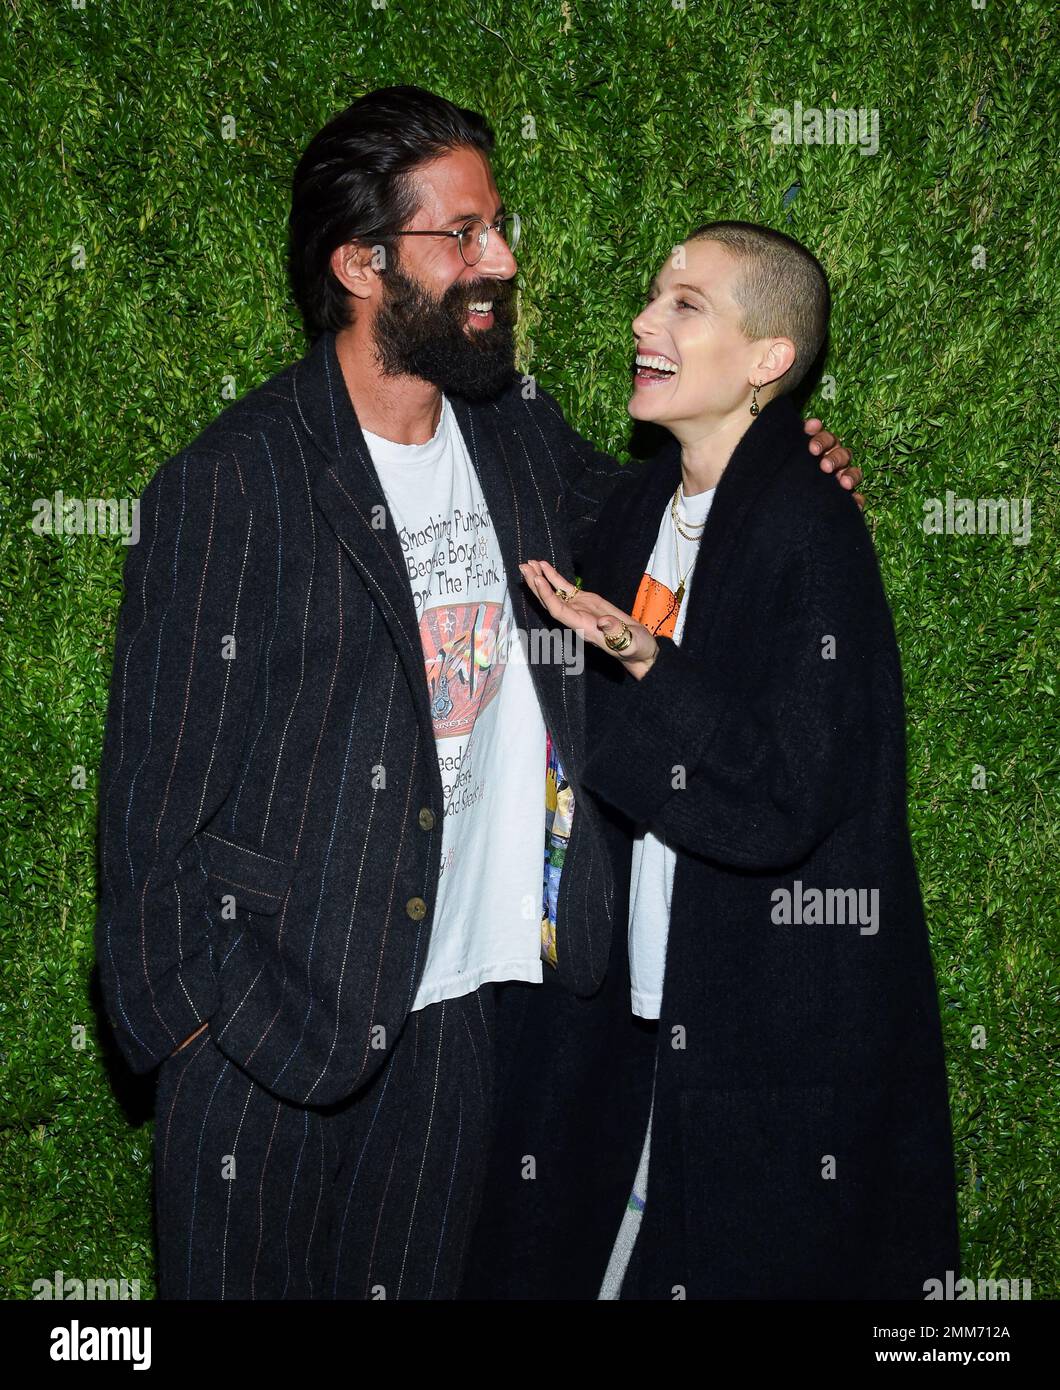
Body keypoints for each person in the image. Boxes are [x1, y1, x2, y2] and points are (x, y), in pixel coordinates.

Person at [94, 85, 858, 1300]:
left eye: (498, 226)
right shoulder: (231, 483)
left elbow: (662, 507)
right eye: (461, 236)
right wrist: (195, 1033)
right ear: (360, 264)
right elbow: (148, 808)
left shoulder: (513, 431)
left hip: (457, 1025)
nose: (498, 259)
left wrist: (776, 451)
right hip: (267, 1043)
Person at [466, 222, 959, 1300]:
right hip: (627, 1012)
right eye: (653, 296)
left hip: (765, 1033)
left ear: (769, 360)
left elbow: (787, 793)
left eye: (687, 304)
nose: (645, 320)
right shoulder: (635, 503)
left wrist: (646, 659)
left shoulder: (811, 528)